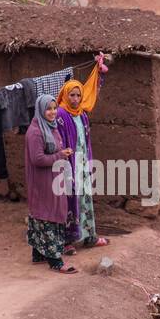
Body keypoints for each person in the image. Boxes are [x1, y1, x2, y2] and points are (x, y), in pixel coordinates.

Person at [55, 60, 109, 251]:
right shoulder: (60, 114)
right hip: (68, 165)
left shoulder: (82, 114)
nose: (76, 99)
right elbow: (57, 141)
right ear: (65, 95)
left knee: (85, 198)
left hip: (83, 163)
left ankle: (89, 236)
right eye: (72, 95)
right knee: (69, 200)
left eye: (78, 95)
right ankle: (66, 241)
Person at [24, 95, 77, 274]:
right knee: (47, 215)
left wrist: (61, 154)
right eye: (48, 109)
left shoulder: (50, 127)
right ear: (40, 110)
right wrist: (60, 155)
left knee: (48, 213)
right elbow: (37, 159)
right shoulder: (35, 132)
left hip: (53, 179)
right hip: (43, 181)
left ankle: (39, 253)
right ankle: (55, 260)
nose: (53, 112)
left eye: (54, 108)